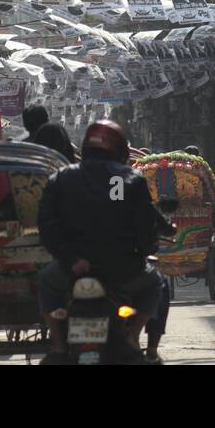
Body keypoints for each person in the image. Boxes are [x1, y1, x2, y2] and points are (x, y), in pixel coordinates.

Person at [36, 120, 163, 362]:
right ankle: (133, 337)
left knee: (45, 283)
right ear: (120, 149)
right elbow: (145, 228)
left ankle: (58, 345)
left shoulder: (61, 178)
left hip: (72, 269)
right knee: (156, 283)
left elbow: (47, 226)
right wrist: (144, 250)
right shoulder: (132, 179)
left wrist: (71, 259)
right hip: (124, 270)